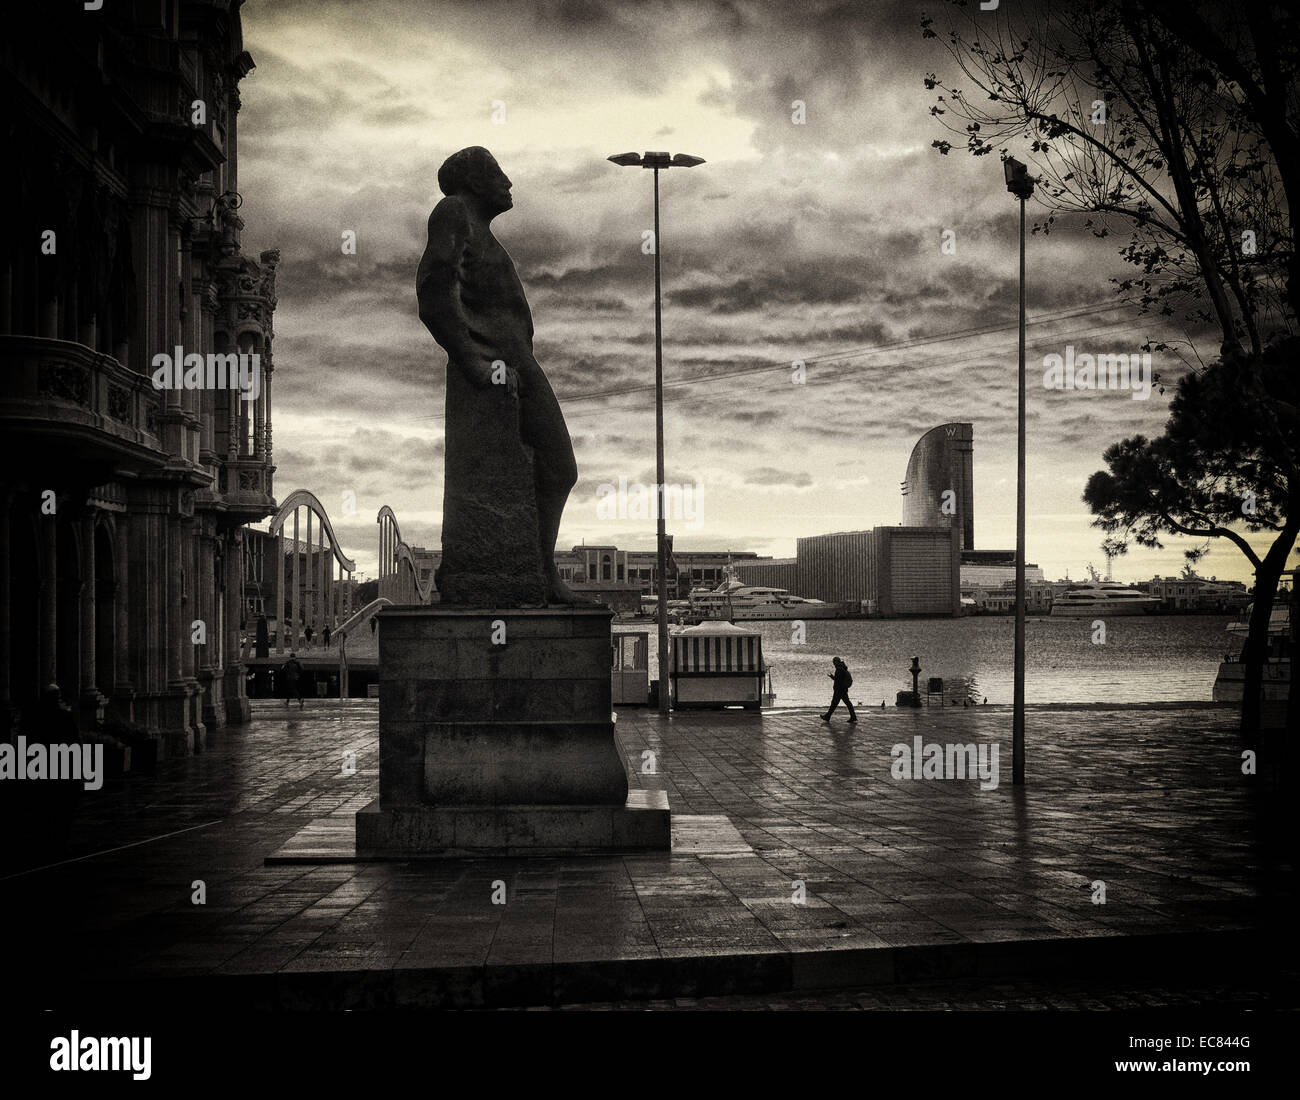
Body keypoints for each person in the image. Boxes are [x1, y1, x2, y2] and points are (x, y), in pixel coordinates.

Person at [820, 657, 857, 723]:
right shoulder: (841, 668)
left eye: (834, 662)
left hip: (839, 690)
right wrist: (833, 677)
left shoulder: (839, 669)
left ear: (836, 662)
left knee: (835, 704)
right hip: (843, 689)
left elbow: (838, 681)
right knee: (843, 703)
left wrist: (836, 687)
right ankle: (853, 717)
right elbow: (839, 679)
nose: (833, 663)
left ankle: (828, 716)